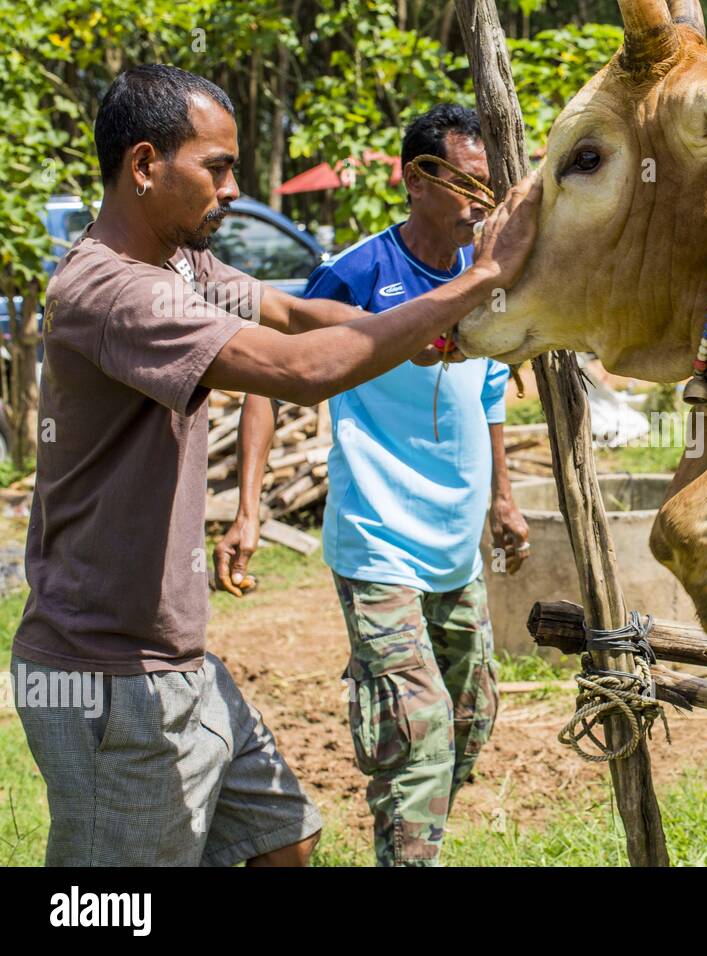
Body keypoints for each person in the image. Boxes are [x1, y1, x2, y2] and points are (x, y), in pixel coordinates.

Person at [9, 64, 539, 867]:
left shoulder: (181, 265)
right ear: (145, 166)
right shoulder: (118, 294)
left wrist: (429, 332)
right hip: (106, 678)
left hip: (174, 660)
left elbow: (295, 313)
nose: (233, 189)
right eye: (216, 168)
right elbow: (298, 370)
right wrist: (478, 282)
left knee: (283, 843)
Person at [219, 105, 530, 867]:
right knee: (414, 728)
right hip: (377, 540)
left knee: (470, 720)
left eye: (489, 186)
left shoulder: (482, 274)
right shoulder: (359, 272)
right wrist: (248, 509)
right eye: (465, 183)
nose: (480, 202)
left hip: (455, 544)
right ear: (416, 179)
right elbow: (269, 373)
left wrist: (503, 497)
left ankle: (411, 837)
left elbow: (488, 392)